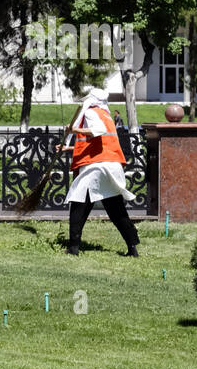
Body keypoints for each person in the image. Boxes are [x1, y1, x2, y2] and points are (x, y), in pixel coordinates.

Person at [57, 86, 140, 258]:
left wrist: (74, 130)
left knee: (78, 204)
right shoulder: (107, 115)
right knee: (116, 209)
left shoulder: (91, 113)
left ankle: (73, 248)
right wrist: (68, 148)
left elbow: (97, 131)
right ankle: (132, 248)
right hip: (111, 165)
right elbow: (95, 143)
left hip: (97, 167)